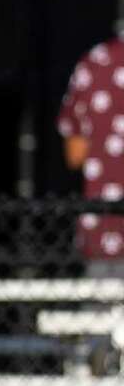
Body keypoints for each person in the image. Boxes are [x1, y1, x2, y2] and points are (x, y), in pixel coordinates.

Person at [57, 31, 124, 270]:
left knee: (104, 304)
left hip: (106, 229)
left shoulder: (97, 61)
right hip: (107, 237)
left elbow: (75, 156)